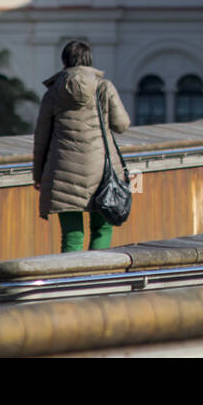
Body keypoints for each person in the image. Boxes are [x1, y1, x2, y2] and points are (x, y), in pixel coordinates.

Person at [32, 40, 131, 252]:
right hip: (102, 170)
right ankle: (97, 280)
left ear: (64, 61)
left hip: (63, 173)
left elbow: (41, 137)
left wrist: (38, 175)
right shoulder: (104, 87)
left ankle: (69, 283)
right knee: (102, 229)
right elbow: (122, 125)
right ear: (89, 61)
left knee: (72, 236)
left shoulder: (53, 93)